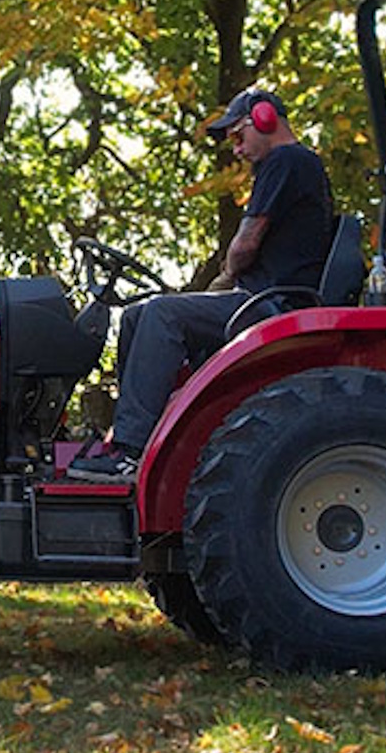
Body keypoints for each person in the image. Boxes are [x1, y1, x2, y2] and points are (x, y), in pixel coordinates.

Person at [69, 88, 334, 481]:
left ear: (265, 119)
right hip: (260, 299)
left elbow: (245, 245)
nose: (237, 150)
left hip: (271, 305)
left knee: (162, 314)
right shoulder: (292, 166)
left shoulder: (286, 161)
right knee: (136, 316)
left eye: (238, 137)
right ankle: (124, 436)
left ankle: (131, 453)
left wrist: (224, 277)